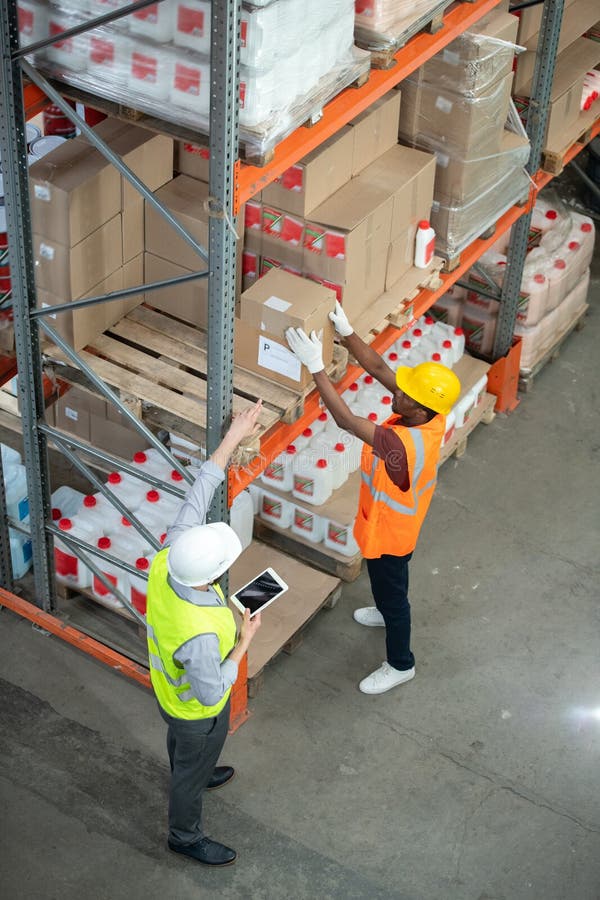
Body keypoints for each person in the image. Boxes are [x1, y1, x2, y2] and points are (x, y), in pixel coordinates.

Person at [286, 304, 460, 695]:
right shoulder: (429, 415)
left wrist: (316, 366)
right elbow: (381, 369)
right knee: (389, 589)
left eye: (404, 393)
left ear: (418, 406)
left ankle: (401, 664)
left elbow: (346, 421)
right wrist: (346, 332)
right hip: (395, 524)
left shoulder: (401, 445)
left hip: (391, 538)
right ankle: (384, 610)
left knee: (394, 596)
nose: (395, 392)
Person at [146, 400, 263, 867]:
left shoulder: (172, 555)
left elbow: (201, 488)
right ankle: (184, 835)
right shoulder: (198, 635)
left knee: (184, 749)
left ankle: (191, 770)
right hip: (196, 709)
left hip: (166, 693)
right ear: (209, 576)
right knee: (191, 756)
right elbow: (213, 687)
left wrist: (234, 437)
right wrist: (245, 641)